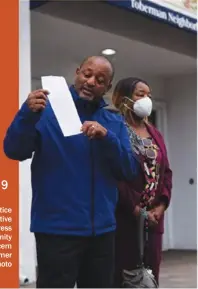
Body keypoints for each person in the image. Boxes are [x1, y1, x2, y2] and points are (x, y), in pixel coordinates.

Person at [3, 56, 138, 288]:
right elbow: (14, 151)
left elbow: (128, 170)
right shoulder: (44, 111)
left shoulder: (114, 122)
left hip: (102, 232)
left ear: (107, 87)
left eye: (100, 79)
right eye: (87, 74)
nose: (91, 81)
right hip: (56, 230)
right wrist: (26, 115)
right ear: (77, 73)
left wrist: (107, 138)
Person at [111, 77, 172, 287]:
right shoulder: (115, 129)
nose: (146, 99)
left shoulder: (155, 133)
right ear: (123, 98)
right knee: (124, 275)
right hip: (125, 218)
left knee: (150, 277)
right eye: (140, 94)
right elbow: (112, 174)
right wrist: (134, 208)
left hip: (153, 221)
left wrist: (161, 206)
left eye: (149, 95)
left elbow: (166, 172)